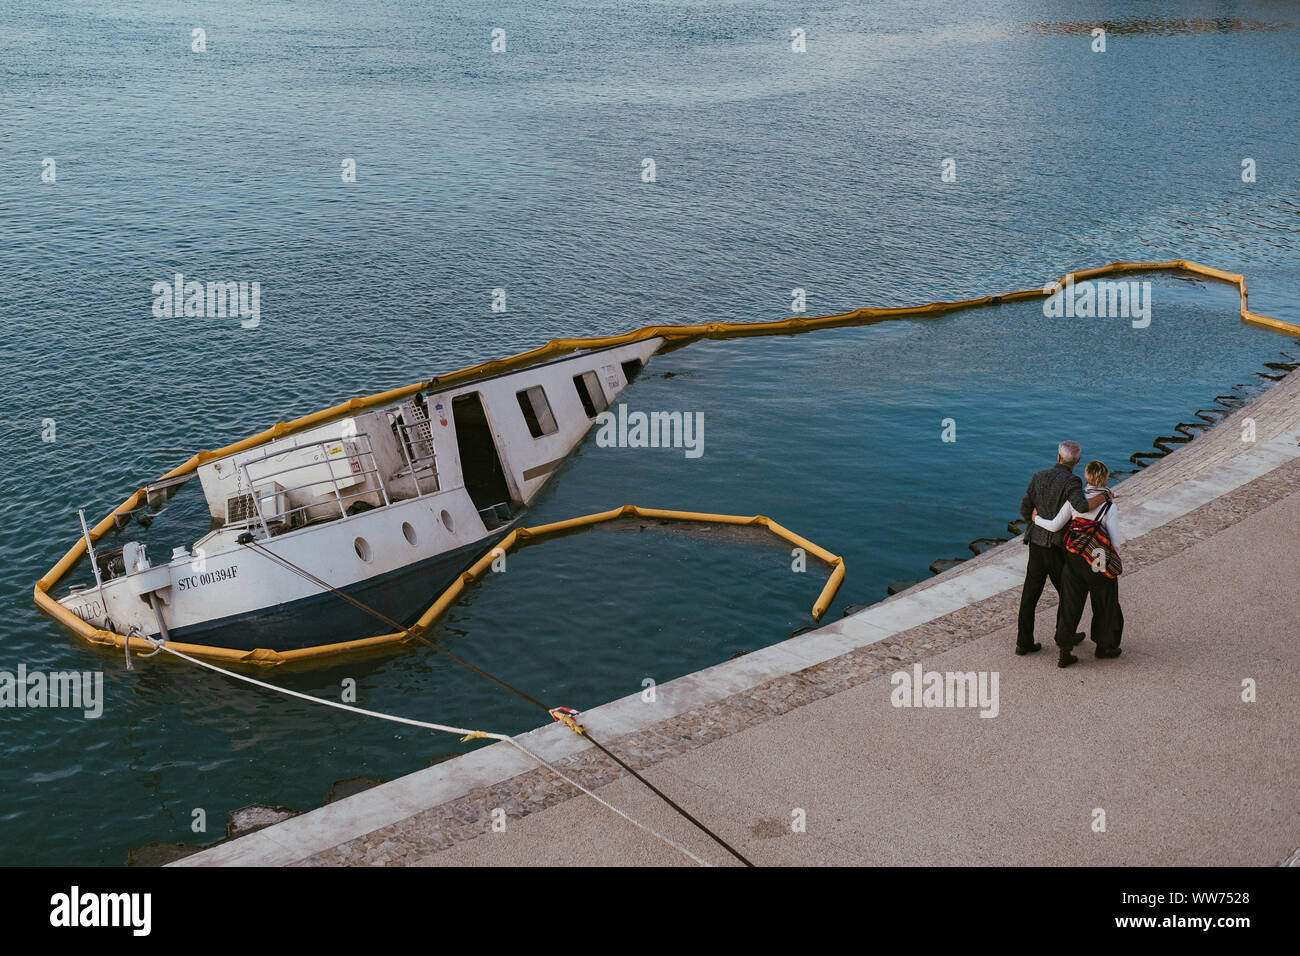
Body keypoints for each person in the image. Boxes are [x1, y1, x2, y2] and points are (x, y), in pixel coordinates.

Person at [1016, 441, 1109, 656]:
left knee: (1030, 595)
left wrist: (1035, 524)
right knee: (1068, 594)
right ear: (1076, 461)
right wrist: (1105, 496)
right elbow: (1082, 506)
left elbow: (1024, 509)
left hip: (1037, 546)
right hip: (1059, 548)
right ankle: (1064, 635)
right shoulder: (1072, 481)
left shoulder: (1038, 476)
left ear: (1058, 457)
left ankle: (1024, 642)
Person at [1034, 460, 1124, 667]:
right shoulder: (1109, 506)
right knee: (1105, 602)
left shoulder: (1075, 500)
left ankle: (1065, 650)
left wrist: (1036, 518)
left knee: (1070, 603)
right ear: (1105, 477)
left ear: (1087, 477)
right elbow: (1115, 542)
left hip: (1074, 558)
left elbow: (1055, 525)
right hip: (1098, 560)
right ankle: (1105, 647)